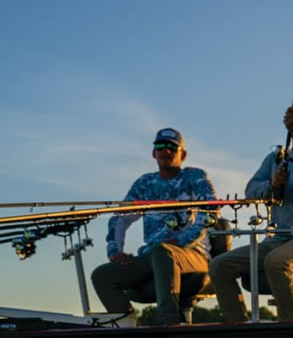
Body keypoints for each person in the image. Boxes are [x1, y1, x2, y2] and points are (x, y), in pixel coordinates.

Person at [210, 105, 293, 323]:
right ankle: (237, 328)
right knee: (219, 266)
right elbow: (251, 190)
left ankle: (289, 327)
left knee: (276, 262)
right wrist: (272, 184)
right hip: (277, 238)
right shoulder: (274, 160)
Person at [91, 128, 217, 326]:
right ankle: (130, 327)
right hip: (153, 256)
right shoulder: (145, 183)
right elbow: (120, 218)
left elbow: (211, 213)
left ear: (182, 154)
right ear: (153, 153)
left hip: (193, 254)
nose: (165, 151)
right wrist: (115, 251)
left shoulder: (195, 177)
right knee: (102, 275)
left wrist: (182, 240)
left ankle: (168, 322)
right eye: (160, 147)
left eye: (172, 148)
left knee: (163, 251)